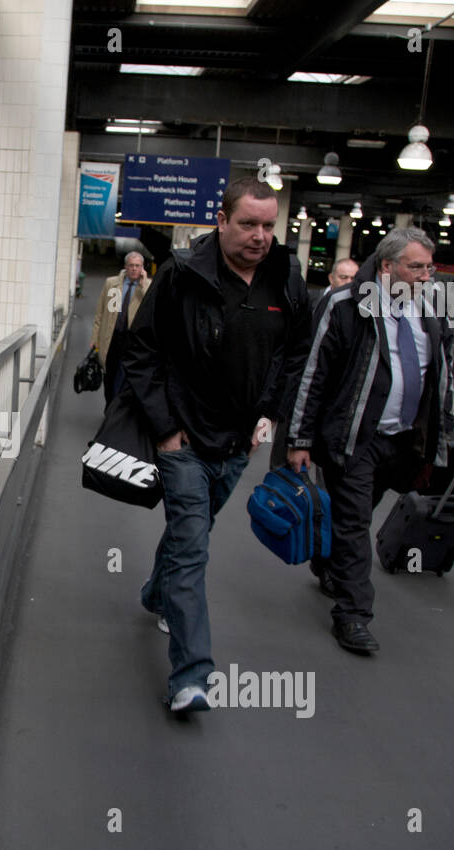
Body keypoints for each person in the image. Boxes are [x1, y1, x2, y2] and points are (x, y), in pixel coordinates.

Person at [122, 177, 311, 713]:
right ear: (221, 221)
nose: (260, 236)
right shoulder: (183, 275)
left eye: (269, 225)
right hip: (182, 439)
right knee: (193, 545)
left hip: (238, 444)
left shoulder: (286, 277)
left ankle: (156, 595)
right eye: (248, 223)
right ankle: (190, 675)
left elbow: (297, 352)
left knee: (193, 532)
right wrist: (164, 428)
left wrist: (271, 413)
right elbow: (141, 353)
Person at [286, 227, 454, 654]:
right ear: (386, 266)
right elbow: (314, 373)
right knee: (356, 521)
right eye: (415, 267)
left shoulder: (433, 310)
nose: (424, 276)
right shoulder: (347, 306)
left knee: (357, 514)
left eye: (428, 267)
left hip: (403, 439)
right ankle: (353, 615)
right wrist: (300, 437)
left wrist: (440, 434)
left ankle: (328, 562)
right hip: (354, 437)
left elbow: (443, 374)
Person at [270, 256, 358, 471]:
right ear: (331, 278)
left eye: (353, 278)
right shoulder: (310, 300)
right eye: (343, 277)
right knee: (283, 466)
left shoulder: (359, 313)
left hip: (332, 403)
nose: (348, 282)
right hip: (295, 392)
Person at [90, 252, 152, 405]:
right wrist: (94, 338)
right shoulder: (113, 284)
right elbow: (102, 313)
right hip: (112, 337)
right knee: (109, 377)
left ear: (142, 268)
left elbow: (151, 308)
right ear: (125, 266)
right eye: (131, 265)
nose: (134, 269)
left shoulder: (147, 286)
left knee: (124, 378)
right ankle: (109, 405)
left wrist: (143, 285)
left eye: (137, 266)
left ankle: (114, 411)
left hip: (131, 342)